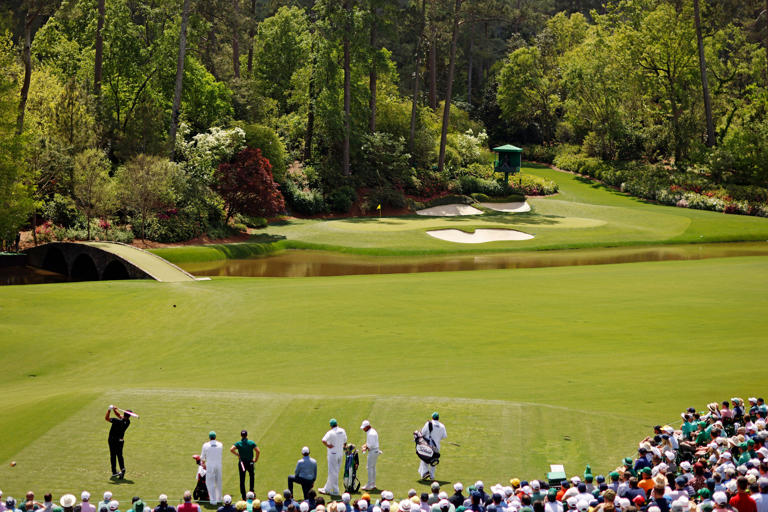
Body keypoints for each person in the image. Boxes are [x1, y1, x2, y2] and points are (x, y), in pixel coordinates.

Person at [319, 418, 347, 496]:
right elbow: (345, 442)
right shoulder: (342, 431)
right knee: (335, 472)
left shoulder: (330, 432)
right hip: (340, 453)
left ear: (331, 425)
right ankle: (326, 489)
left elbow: (323, 440)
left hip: (332, 454)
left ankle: (335, 491)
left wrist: (328, 445)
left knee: (333, 472)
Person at [231, 430, 261, 500]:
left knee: (242, 479)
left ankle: (244, 496)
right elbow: (258, 451)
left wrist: (238, 454)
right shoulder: (251, 443)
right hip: (250, 462)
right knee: (251, 476)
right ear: (247, 435)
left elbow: (231, 449)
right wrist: (256, 459)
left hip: (242, 463)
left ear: (241, 436)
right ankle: (251, 492)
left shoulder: (238, 443)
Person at [105, 405, 131, 479]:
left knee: (113, 455)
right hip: (120, 441)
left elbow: (106, 418)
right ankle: (122, 469)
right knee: (120, 455)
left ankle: (114, 472)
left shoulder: (116, 421)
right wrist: (114, 409)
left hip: (112, 440)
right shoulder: (128, 422)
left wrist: (109, 410)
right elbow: (119, 415)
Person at [419, 413, 447, 481]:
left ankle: (425, 473)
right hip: (436, 447)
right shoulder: (442, 426)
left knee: (425, 459)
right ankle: (432, 476)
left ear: (432, 417)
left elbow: (422, 433)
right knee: (433, 461)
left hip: (428, 445)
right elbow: (444, 436)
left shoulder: (428, 423)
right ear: (438, 418)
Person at [202, 431, 224, 505]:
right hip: (218, 466)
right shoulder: (220, 444)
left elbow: (202, 458)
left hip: (210, 466)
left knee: (210, 483)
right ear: (215, 437)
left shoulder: (205, 445)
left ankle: (213, 500)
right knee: (218, 482)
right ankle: (219, 499)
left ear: (209, 437)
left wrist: (203, 463)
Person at [360, 420, 380, 491]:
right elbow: (370, 443)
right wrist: (365, 445)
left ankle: (370, 485)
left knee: (369, 468)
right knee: (372, 468)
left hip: (373, 451)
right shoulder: (372, 431)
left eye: (364, 427)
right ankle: (372, 484)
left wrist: (364, 448)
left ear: (367, 426)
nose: (363, 429)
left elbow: (370, 445)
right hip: (375, 451)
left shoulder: (371, 433)